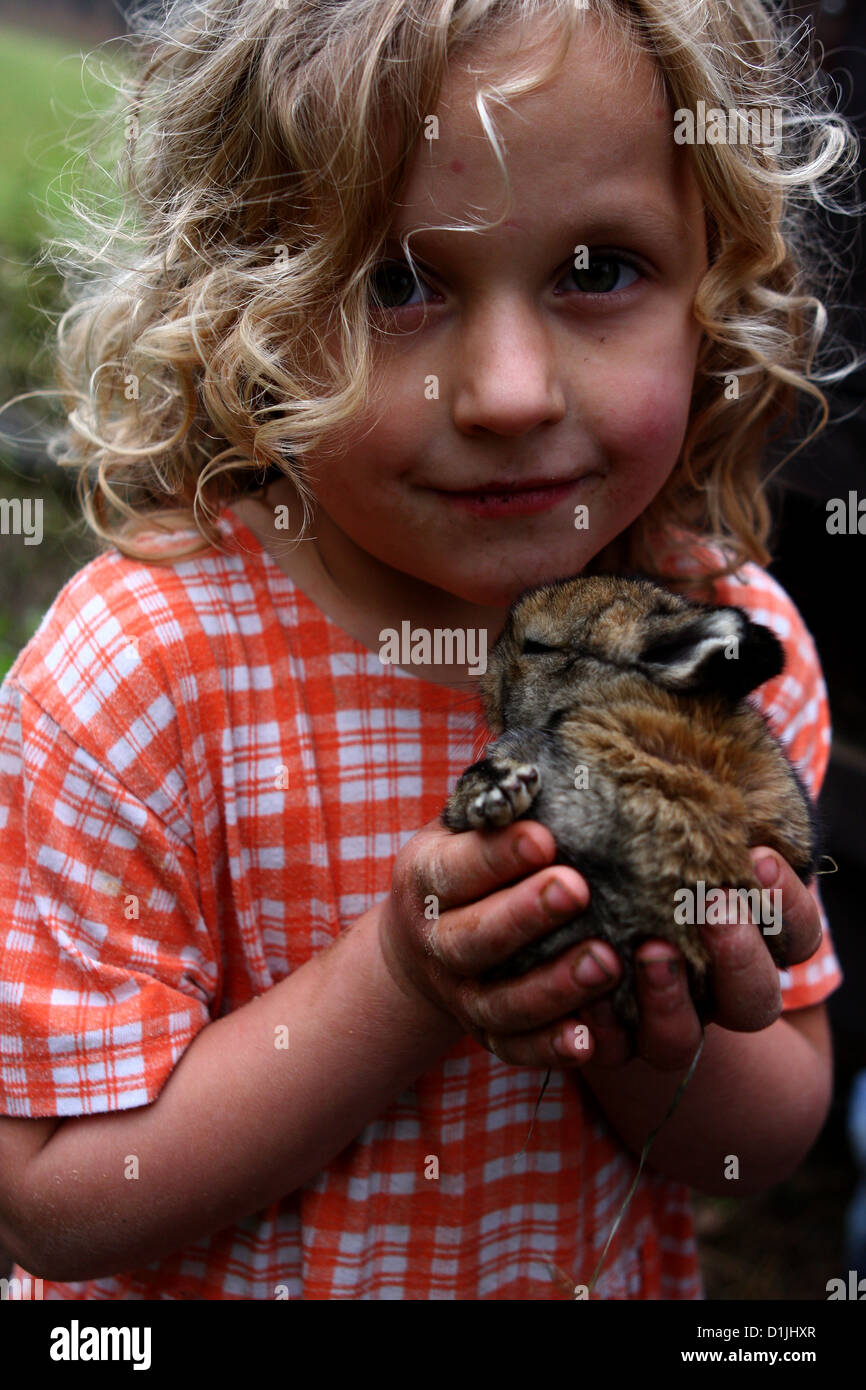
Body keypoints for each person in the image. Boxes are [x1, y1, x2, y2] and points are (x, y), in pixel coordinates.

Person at [0, 0, 857, 1300]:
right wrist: (402, 978)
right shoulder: (145, 674)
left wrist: (639, 997)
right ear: (242, 311)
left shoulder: (717, 648)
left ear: (717, 286)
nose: (508, 391)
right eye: (396, 283)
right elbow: (53, 1203)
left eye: (596, 269)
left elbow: (765, 1131)